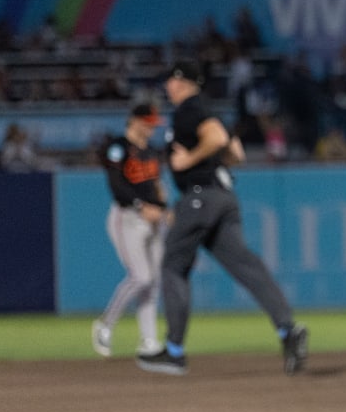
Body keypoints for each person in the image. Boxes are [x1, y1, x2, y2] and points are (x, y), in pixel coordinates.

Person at [138, 60, 308, 377]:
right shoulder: (208, 108)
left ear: (185, 82)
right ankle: (288, 329)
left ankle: (173, 352)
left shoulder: (190, 108)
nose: (168, 87)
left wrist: (190, 157)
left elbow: (216, 138)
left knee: (173, 267)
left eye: (172, 81)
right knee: (246, 266)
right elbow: (236, 154)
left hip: (200, 196)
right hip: (223, 198)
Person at [92, 103, 169, 359]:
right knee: (141, 277)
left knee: (154, 281)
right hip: (127, 217)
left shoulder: (151, 151)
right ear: (135, 121)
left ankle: (149, 341)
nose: (151, 129)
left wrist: (163, 207)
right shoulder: (118, 147)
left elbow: (155, 184)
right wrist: (141, 205)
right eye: (148, 124)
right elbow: (116, 186)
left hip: (152, 219)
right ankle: (105, 324)